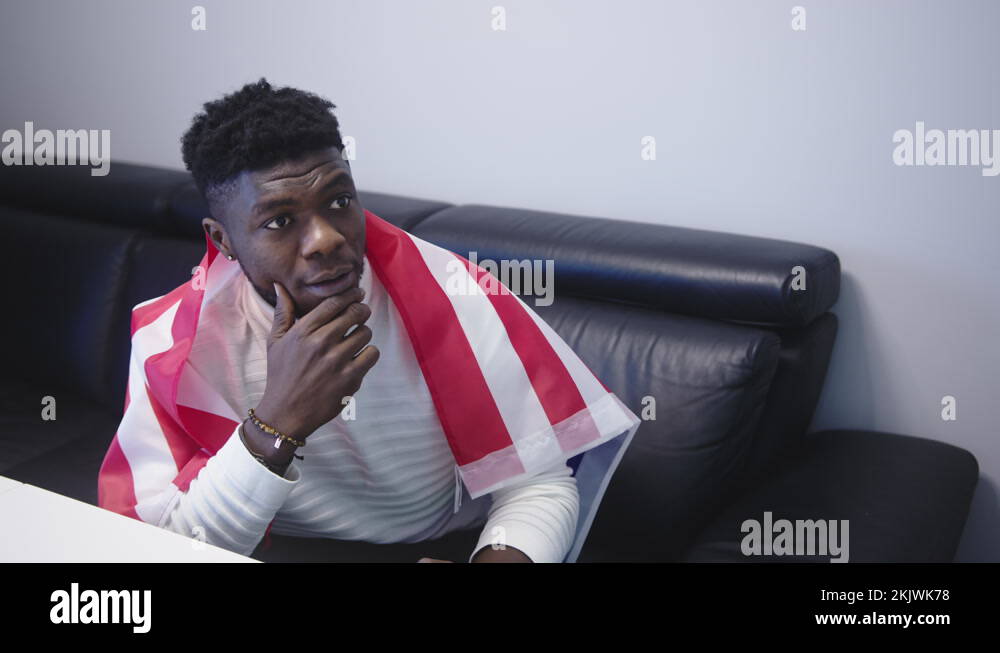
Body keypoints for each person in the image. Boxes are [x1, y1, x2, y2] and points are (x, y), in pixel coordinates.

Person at [97, 78, 640, 563]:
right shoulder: (174, 342)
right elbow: (161, 548)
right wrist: (277, 421)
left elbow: (539, 485)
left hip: (438, 547)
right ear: (224, 241)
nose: (327, 240)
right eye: (280, 220)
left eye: (338, 201)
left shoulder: (458, 297)